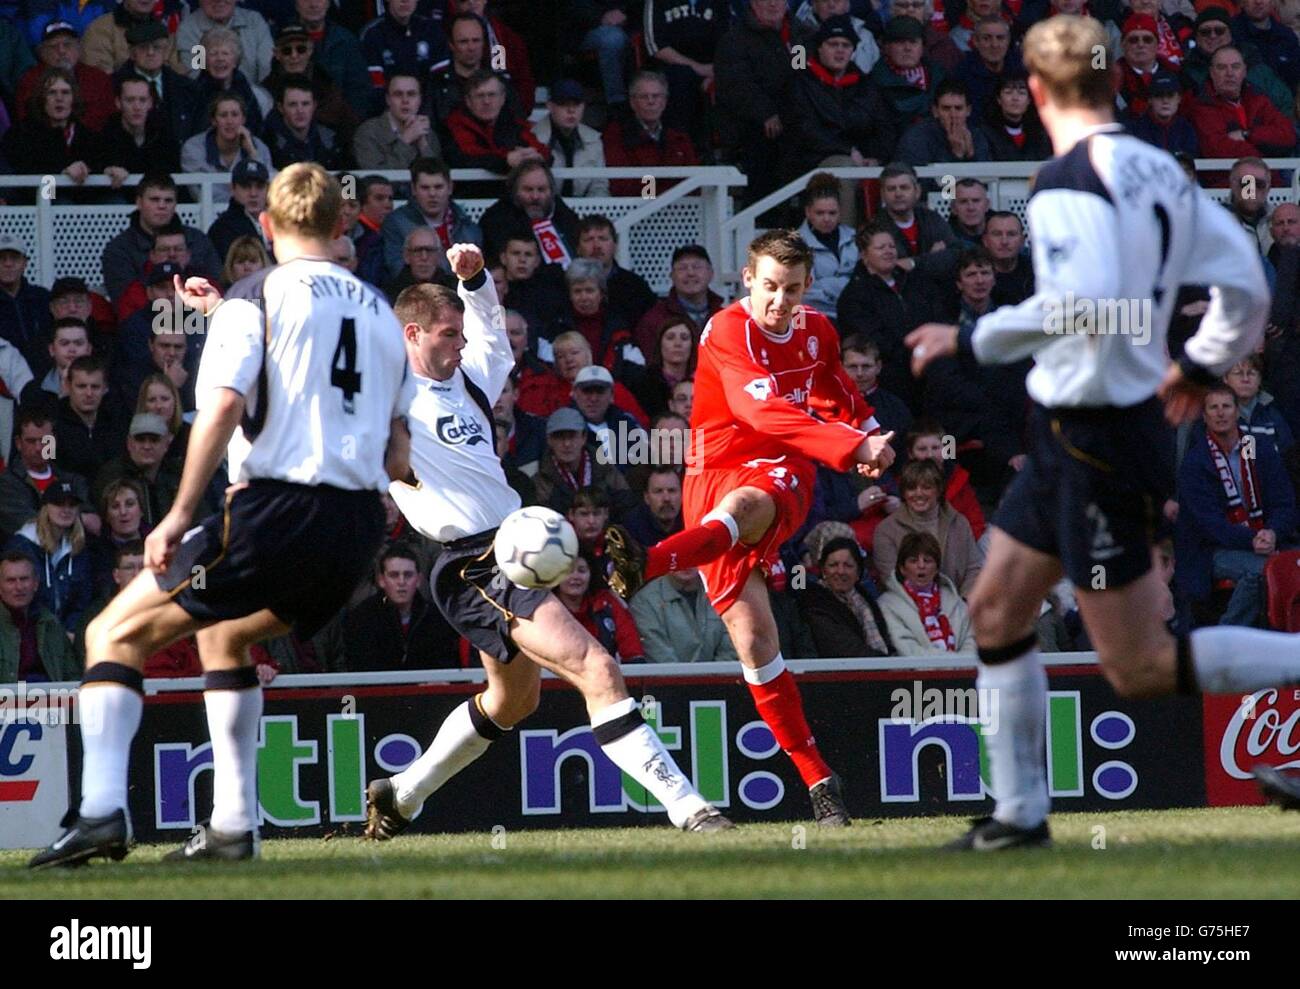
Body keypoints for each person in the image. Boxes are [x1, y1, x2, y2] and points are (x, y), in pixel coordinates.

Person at [904, 14, 1300, 847]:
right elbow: (1249, 285)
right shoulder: (1164, 171)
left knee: (1142, 667)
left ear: (1038, 91)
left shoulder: (1067, 179)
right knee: (997, 609)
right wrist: (1201, 362)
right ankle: (1019, 818)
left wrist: (971, 336)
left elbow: (1075, 307)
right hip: (1071, 428)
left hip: (1101, 436)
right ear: (1116, 80)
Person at [30, 163, 414, 868]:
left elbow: (225, 406)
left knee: (111, 629)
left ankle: (99, 812)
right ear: (340, 227)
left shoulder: (256, 294)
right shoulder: (381, 312)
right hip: (356, 529)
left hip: (273, 511)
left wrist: (176, 513)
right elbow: (397, 451)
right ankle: (235, 825)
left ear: (265, 225)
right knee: (225, 637)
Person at [366, 244, 732, 839]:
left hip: (512, 547)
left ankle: (402, 794)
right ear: (413, 333)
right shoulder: (387, 398)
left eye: (459, 335)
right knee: (598, 666)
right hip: (474, 563)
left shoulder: (468, 379)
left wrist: (476, 279)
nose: (460, 345)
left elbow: (487, 329)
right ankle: (690, 808)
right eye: (447, 335)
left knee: (512, 703)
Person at [604, 229, 896, 826]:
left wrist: (866, 431)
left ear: (808, 285)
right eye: (769, 287)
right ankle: (819, 779)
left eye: (791, 289)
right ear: (747, 280)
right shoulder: (726, 329)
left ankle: (649, 562)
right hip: (710, 471)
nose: (779, 302)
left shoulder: (817, 330)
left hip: (782, 467)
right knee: (755, 643)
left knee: (746, 506)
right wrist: (851, 443)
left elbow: (834, 390)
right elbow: (758, 409)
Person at [1175, 382, 1296, 627]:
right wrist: (1251, 539)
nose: (1221, 413)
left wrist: (1272, 532)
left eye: (1226, 406)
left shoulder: (1256, 448)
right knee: (1261, 571)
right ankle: (1225, 642)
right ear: (1204, 415)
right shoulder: (1196, 461)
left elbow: (1284, 503)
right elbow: (1210, 525)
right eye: (1213, 408)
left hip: (1265, 538)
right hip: (1213, 550)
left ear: (1237, 411)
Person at [783, 14, 895, 222]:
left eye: (846, 45)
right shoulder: (801, 82)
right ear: (819, 48)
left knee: (897, 176)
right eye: (833, 44)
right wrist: (847, 151)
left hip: (862, 160)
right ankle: (848, 243)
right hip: (813, 161)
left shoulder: (865, 84)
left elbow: (884, 127)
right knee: (844, 170)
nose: (840, 50)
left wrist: (876, 157)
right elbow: (804, 130)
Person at [836, 221, 933, 409]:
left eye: (891, 246)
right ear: (864, 255)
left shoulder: (912, 281)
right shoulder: (855, 296)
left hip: (925, 371)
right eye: (881, 247)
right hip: (890, 379)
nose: (889, 251)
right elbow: (874, 341)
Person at [872, 457, 983, 594]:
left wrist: (963, 602)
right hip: (907, 608)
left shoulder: (959, 522)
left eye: (926, 487)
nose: (918, 493)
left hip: (959, 604)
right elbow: (891, 579)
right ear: (903, 492)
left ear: (939, 490)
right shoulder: (886, 530)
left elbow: (974, 568)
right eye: (911, 488)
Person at [342, 543, 461, 670]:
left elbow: (446, 660)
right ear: (381, 580)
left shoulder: (436, 618)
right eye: (394, 575)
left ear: (419, 580)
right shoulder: (362, 619)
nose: (401, 582)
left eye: (408, 575)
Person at [6, 480, 93, 635]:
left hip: (66, 634)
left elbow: (82, 599)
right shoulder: (22, 546)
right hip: (28, 632)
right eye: (59, 503)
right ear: (45, 508)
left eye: (72, 504)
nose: (66, 509)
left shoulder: (79, 547)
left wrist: (71, 629)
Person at [379, 157, 480, 284]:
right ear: (413, 189)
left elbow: (476, 272)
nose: (432, 194)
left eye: (438, 187)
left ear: (450, 188)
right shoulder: (395, 223)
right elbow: (396, 269)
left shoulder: (466, 225)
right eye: (425, 188)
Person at [1186, 46, 1296, 161]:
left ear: (1245, 71)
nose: (1229, 73)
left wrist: (1247, 135)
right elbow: (1218, 148)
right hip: (1227, 177)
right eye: (1222, 67)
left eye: (1235, 67)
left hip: (1266, 175)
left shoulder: (1258, 99)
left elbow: (1288, 135)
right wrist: (1262, 157)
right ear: (1212, 73)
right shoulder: (1202, 104)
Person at [0, 406, 93, 542]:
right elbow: (27, 525)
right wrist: (76, 519)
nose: (39, 448)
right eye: (31, 441)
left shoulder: (73, 481)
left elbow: (93, 522)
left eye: (45, 441)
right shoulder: (5, 483)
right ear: (18, 443)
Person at [602, 69, 699, 197]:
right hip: (633, 211)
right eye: (644, 96)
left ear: (664, 101)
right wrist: (665, 192)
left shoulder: (679, 135)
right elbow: (622, 185)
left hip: (680, 211)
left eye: (656, 96)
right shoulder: (616, 134)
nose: (651, 101)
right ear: (632, 102)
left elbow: (694, 183)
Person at [877, 530, 974, 654]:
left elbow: (971, 640)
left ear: (937, 568)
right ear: (902, 569)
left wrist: (961, 666)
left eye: (927, 560)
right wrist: (948, 665)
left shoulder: (956, 602)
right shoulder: (887, 605)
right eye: (913, 561)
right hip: (916, 673)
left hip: (963, 671)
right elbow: (905, 647)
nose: (921, 566)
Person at [796, 536, 895, 658]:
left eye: (848, 565)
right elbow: (844, 648)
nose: (841, 571)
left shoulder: (866, 599)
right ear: (823, 571)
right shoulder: (814, 603)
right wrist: (884, 664)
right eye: (833, 565)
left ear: (858, 572)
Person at [444, 69, 548, 177]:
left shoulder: (514, 123)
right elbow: (467, 157)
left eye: (492, 95)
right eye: (480, 96)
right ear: (468, 101)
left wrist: (537, 156)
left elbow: (542, 151)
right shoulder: (455, 123)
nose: (486, 101)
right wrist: (506, 159)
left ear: (502, 98)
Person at [534, 405, 635, 516]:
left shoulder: (605, 469)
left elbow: (628, 506)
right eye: (560, 437)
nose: (567, 444)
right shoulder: (542, 479)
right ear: (549, 440)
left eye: (572, 436)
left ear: (584, 437)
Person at [180, 92, 276, 207]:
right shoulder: (193, 148)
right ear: (214, 121)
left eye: (235, 115)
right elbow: (201, 194)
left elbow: (270, 188)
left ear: (243, 119)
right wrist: (244, 199)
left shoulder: (258, 146)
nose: (229, 121)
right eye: (223, 115)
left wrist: (252, 153)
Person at [478, 161, 581, 266]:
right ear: (515, 191)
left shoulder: (563, 214)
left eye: (541, 190)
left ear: (551, 192)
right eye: (528, 190)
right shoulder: (497, 219)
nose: (535, 196)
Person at [630, 566, 740, 664]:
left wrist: (716, 677)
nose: (686, 563)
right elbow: (659, 655)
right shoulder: (645, 601)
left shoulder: (723, 592)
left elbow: (731, 647)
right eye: (679, 556)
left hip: (722, 682)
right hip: (668, 683)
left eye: (693, 554)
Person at [0, 550, 77, 683]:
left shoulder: (51, 625)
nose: (18, 587)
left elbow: (72, 676)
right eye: (11, 581)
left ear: (35, 583)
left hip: (53, 700)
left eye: (24, 579)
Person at [359, 0, 449, 114]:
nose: (404, 1)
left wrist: (424, 117)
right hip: (386, 119)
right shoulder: (372, 34)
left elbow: (441, 84)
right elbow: (375, 90)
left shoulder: (432, 31)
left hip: (428, 117)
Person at [634, 244, 723, 357]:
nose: (690, 273)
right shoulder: (654, 320)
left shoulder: (723, 317)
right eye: (682, 268)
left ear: (711, 273)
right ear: (672, 276)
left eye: (697, 267)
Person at [54, 356, 128, 482]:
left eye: (95, 387)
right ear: (68, 385)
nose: (89, 393)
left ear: (105, 388)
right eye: (81, 386)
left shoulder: (118, 423)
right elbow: (46, 467)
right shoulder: (51, 424)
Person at [531, 78, 609, 198]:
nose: (571, 110)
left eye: (577, 104)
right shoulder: (532, 138)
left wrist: (591, 213)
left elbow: (599, 186)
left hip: (586, 212)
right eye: (563, 104)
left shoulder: (593, 140)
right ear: (550, 106)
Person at [97, 74, 181, 182]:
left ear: (150, 103)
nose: (137, 107)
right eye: (130, 100)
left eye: (142, 100)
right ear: (118, 103)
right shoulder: (103, 138)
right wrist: (106, 171)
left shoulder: (165, 137)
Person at [176, 0, 275, 86]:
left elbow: (267, 68)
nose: (219, 0)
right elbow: (197, 76)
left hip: (254, 97)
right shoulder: (188, 29)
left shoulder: (254, 21)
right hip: (209, 99)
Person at [352, 73, 440, 170]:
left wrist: (423, 144)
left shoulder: (428, 133)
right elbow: (377, 177)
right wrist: (406, 140)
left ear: (420, 100)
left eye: (411, 94)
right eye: (398, 94)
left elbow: (435, 176)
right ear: (388, 99)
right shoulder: (368, 132)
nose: (405, 100)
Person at [896, 78, 992, 167]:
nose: (953, 115)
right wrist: (956, 156)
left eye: (958, 108)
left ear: (968, 111)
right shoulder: (916, 138)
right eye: (946, 108)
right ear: (935, 111)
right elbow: (922, 182)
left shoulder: (976, 136)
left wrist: (971, 155)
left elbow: (986, 179)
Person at [262, 72, 346, 170]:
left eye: (305, 104)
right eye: (293, 104)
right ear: (281, 108)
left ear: (314, 105)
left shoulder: (331, 139)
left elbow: (349, 177)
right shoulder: (268, 142)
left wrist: (347, 186)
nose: (300, 110)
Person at [0, 235, 54, 376]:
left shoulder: (43, 298)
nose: (8, 264)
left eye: (14, 258)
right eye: (2, 259)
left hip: (43, 379)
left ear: (25, 263)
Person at [208, 159, 271, 264]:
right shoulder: (222, 229)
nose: (253, 193)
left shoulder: (280, 223)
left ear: (268, 188)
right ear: (232, 188)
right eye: (246, 186)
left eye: (259, 186)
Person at [981, 68, 1052, 161]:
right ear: (999, 99)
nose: (1015, 98)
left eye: (1021, 93)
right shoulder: (986, 133)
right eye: (1008, 92)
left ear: (1029, 100)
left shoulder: (1040, 135)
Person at [1127, 69, 1199, 157]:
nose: (1165, 101)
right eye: (1159, 95)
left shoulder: (1187, 130)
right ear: (1150, 99)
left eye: (1170, 95)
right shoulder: (1134, 130)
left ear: (1179, 99)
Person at [622, 466, 684, 548]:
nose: (666, 498)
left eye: (672, 491)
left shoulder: (692, 522)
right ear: (647, 497)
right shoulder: (632, 528)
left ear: (682, 494)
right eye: (658, 491)